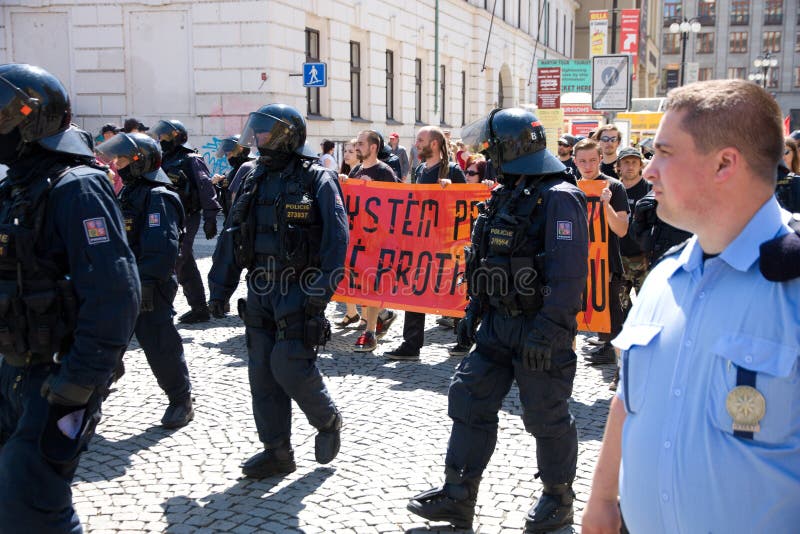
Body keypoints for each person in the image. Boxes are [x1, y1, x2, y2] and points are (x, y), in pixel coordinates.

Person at [583, 79, 800, 534]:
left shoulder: (792, 287)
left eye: (664, 152)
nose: (649, 171)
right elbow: (628, 400)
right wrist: (603, 498)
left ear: (724, 163)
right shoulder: (666, 276)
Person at [406, 108, 588, 532]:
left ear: (511, 148)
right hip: (498, 323)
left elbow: (569, 277)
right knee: (469, 399)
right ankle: (458, 496)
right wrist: (474, 311)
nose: (486, 155)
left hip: (540, 325)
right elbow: (487, 259)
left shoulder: (559, 196)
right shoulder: (509, 191)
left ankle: (559, 497)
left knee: (546, 414)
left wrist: (551, 332)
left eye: (491, 147)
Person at [0, 63, 140, 531]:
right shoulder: (17, 184)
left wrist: (79, 382)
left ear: (31, 119)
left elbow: (116, 292)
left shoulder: (77, 186)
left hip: (57, 374)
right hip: (13, 365)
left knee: (35, 507)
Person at [207, 103, 348, 478]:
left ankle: (328, 419)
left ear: (286, 135)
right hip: (260, 288)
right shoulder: (250, 176)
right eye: (257, 131)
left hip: (300, 288)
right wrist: (220, 288)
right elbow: (233, 234)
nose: (258, 138)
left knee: (289, 365)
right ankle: (277, 451)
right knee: (262, 374)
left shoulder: (318, 178)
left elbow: (337, 241)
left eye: (265, 131)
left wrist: (319, 294)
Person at [96, 132, 193, 428]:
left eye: (123, 159)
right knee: (102, 342)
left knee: (159, 345)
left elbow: (162, 249)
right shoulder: (127, 192)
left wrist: (144, 283)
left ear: (140, 162)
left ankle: (181, 400)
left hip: (149, 287)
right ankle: (91, 397)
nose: (117, 165)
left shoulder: (159, 197)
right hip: (121, 283)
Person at [385, 125, 466, 362]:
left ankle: (464, 340)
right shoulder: (420, 169)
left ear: (434, 144)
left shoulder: (453, 170)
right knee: (415, 290)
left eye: (421, 139)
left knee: (454, 289)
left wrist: (452, 191)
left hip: (445, 243)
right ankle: (411, 344)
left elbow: (464, 207)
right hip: (420, 241)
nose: (417, 143)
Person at [150, 119, 221, 323]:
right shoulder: (163, 159)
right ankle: (199, 308)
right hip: (168, 214)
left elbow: (206, 189)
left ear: (176, 137)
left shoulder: (191, 159)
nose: (160, 139)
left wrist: (210, 218)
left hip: (187, 215)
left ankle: (161, 310)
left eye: (164, 135)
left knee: (176, 258)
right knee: (185, 262)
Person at [574, 138, 630, 366]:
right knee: (571, 317)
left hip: (605, 264)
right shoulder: (571, 187)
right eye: (582, 161)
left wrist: (605, 205)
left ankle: (621, 371)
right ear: (575, 162)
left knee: (613, 320)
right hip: (576, 263)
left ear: (600, 160)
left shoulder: (614, 187)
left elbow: (622, 229)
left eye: (592, 161)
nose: (588, 166)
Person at [348, 130, 399, 352]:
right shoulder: (356, 170)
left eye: (360, 143)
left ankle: (370, 333)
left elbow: (397, 205)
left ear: (373, 147)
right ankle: (385, 314)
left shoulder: (384, 171)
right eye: (356, 143)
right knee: (360, 285)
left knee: (371, 285)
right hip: (358, 238)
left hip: (377, 240)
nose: (357, 147)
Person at [212, 135, 253, 220]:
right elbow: (221, 200)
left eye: (230, 153)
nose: (228, 157)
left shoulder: (252, 170)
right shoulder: (229, 174)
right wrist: (216, 184)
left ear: (241, 151)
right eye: (226, 154)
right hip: (230, 221)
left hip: (245, 223)